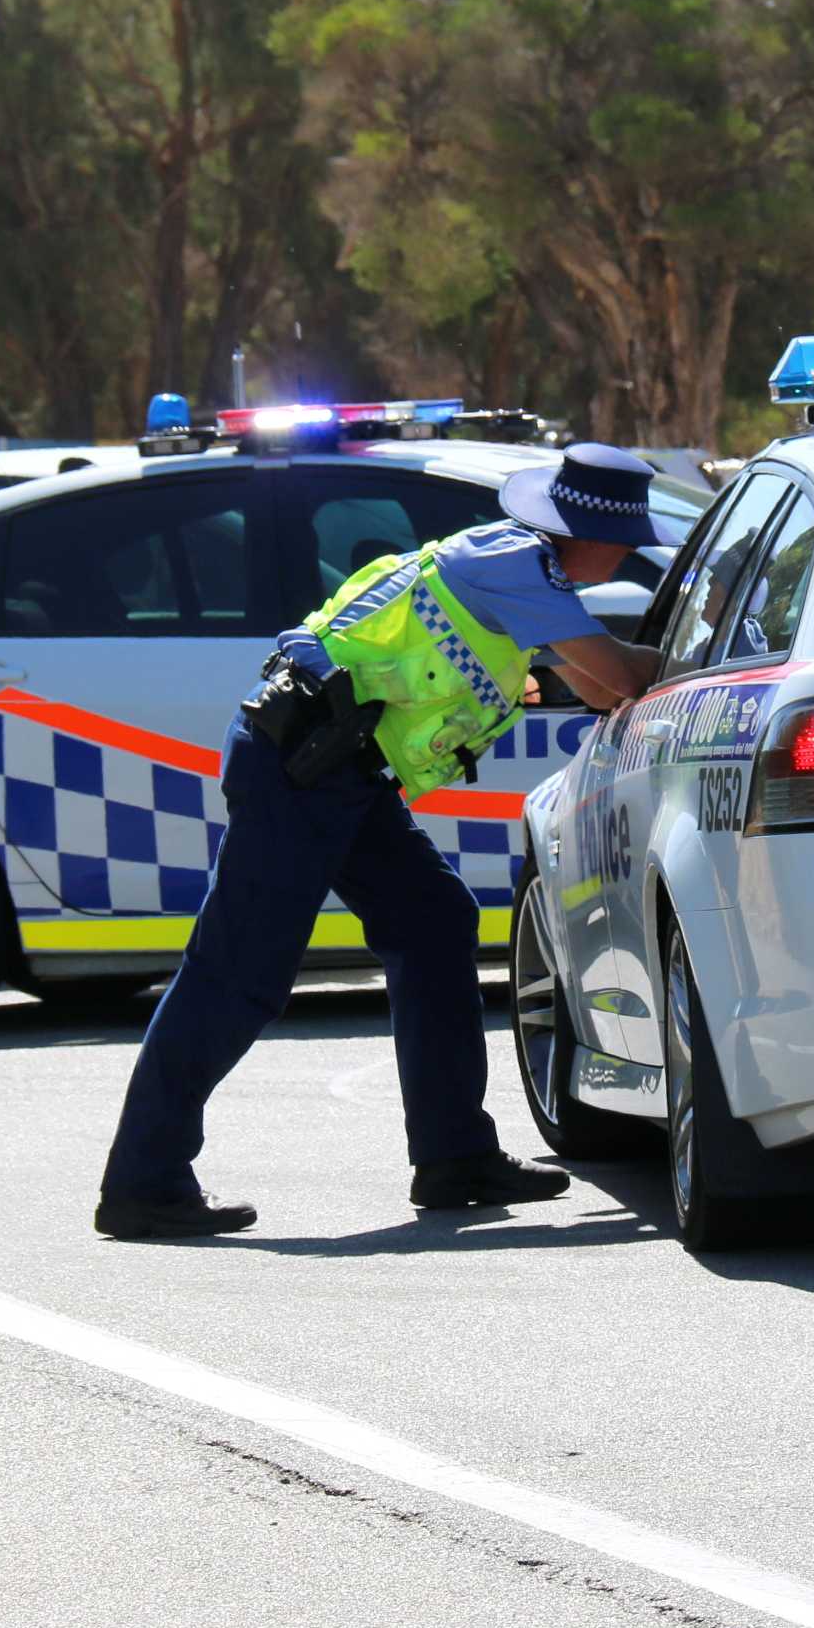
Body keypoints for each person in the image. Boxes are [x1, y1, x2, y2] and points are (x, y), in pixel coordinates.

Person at [94, 442, 671, 1240]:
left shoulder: (512, 562)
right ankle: (142, 1180)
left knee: (434, 921)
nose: (627, 557)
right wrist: (689, 658)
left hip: (335, 764)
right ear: (594, 537)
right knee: (238, 972)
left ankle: (454, 1157)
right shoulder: (521, 570)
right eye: (628, 544)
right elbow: (618, 675)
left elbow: (583, 678)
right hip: (303, 763)